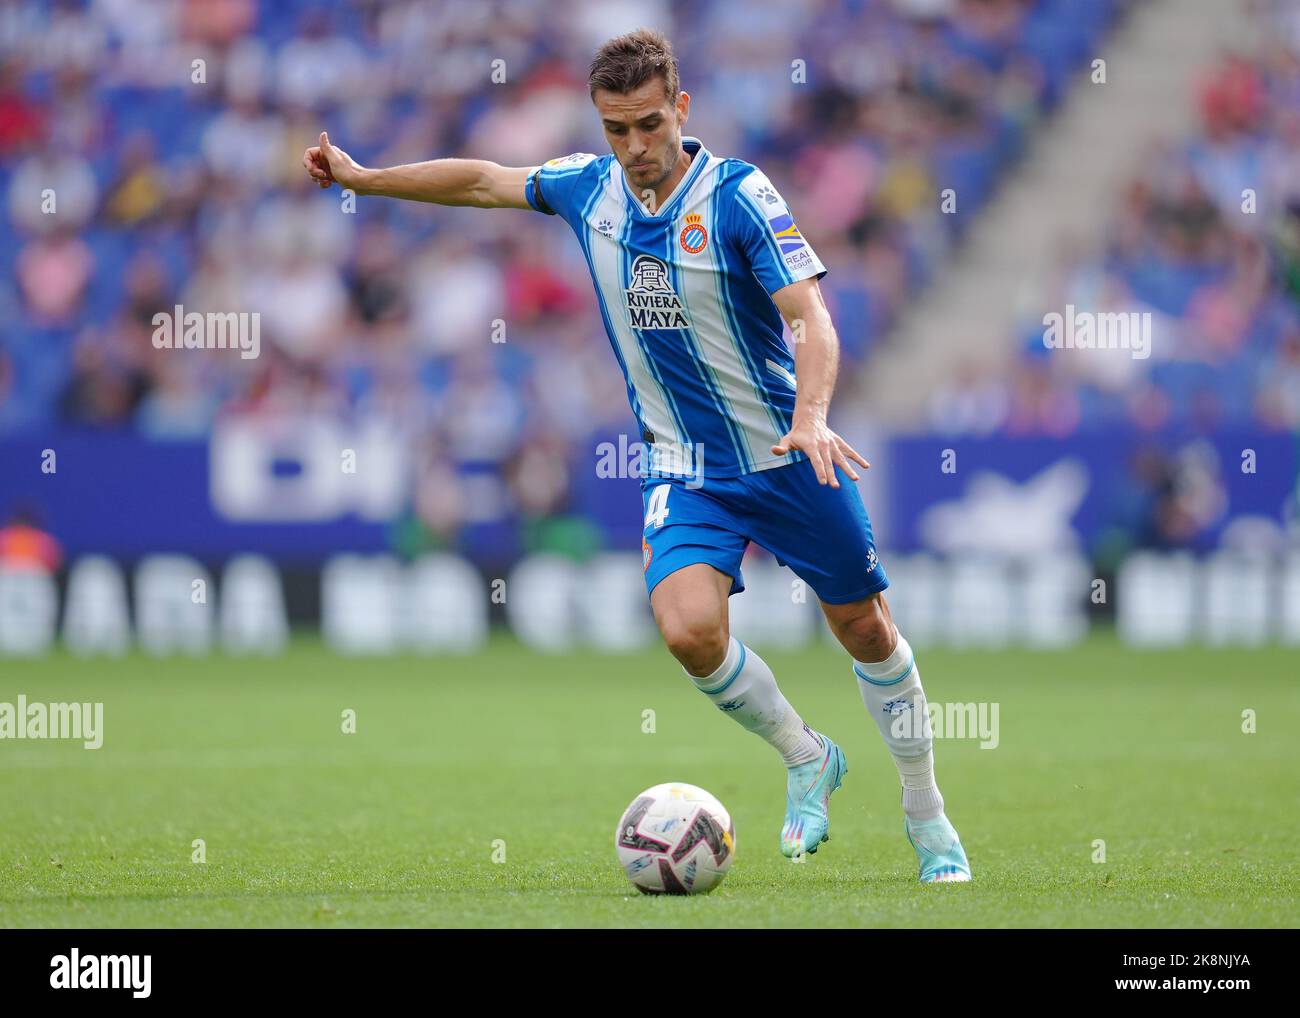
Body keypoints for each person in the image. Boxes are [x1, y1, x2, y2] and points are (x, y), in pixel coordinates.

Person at [303, 27, 970, 882]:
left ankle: (928, 814)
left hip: (786, 449)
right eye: (616, 129)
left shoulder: (737, 195)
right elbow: (481, 180)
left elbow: (810, 316)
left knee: (865, 630)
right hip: (684, 466)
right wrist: (364, 178)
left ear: (681, 109)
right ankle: (807, 757)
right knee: (690, 630)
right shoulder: (589, 190)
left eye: (649, 125)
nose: (634, 147)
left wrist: (811, 415)